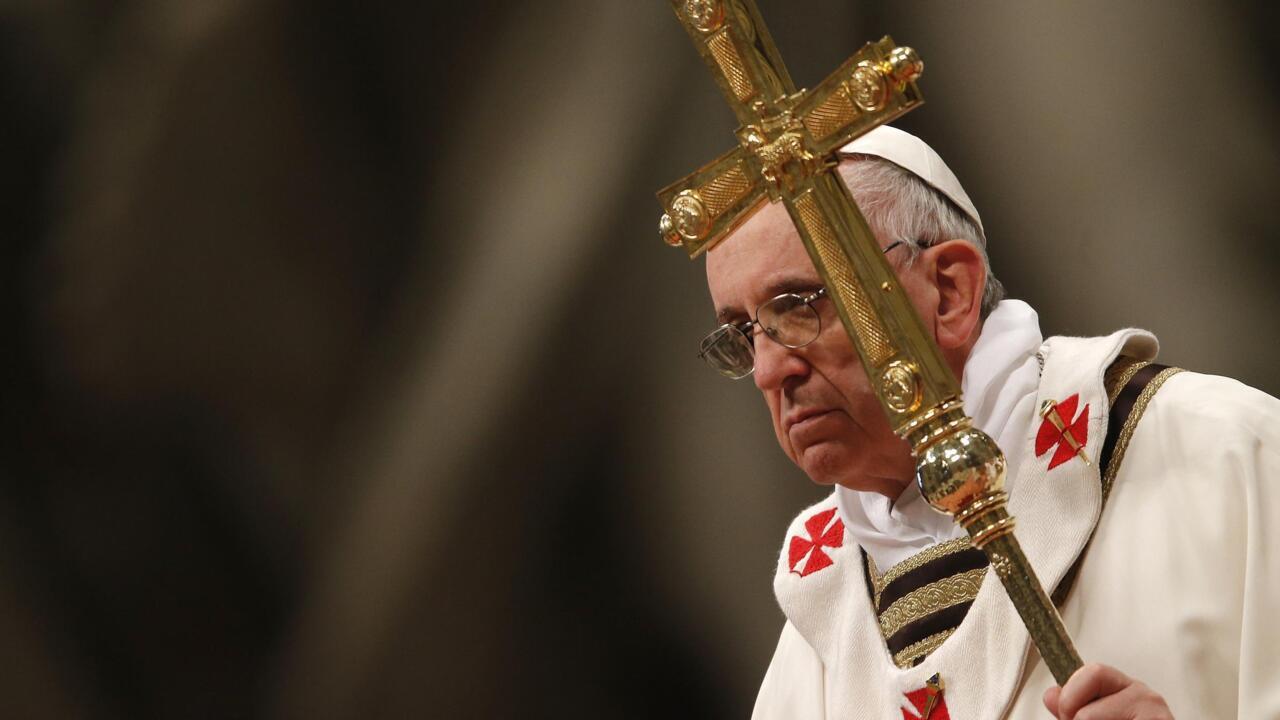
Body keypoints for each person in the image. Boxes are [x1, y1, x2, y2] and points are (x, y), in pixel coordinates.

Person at [697, 125, 1280, 718]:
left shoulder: (1225, 451)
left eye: (797, 308)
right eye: (742, 335)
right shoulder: (820, 613)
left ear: (949, 291)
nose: (770, 372)